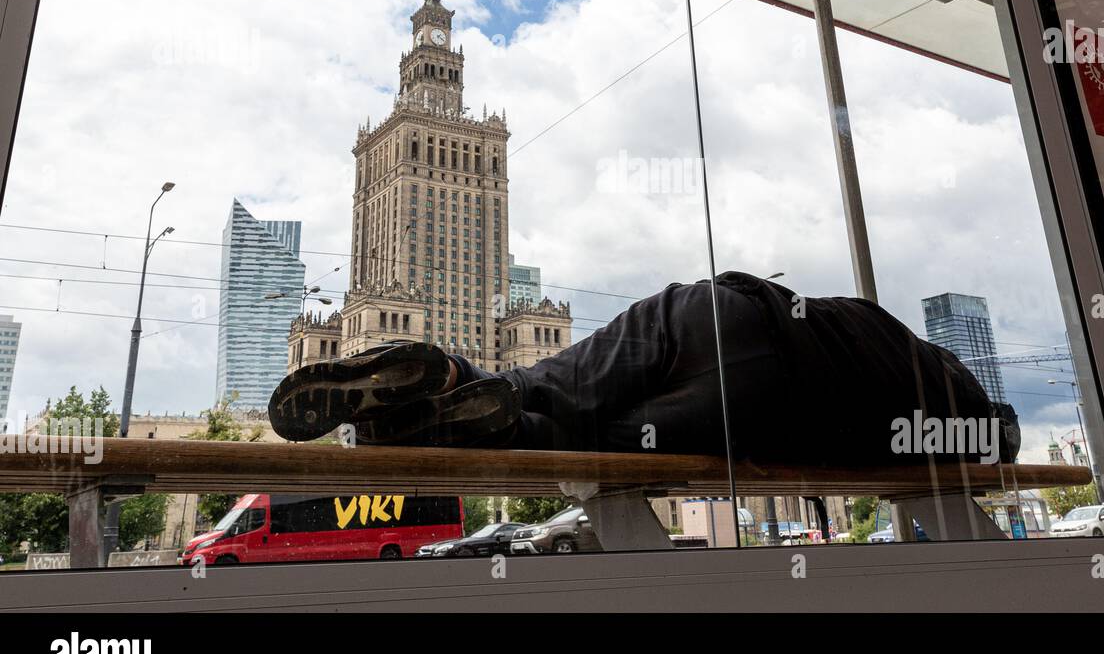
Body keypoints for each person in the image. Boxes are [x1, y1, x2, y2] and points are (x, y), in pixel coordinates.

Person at [268, 271, 1020, 467]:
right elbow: (995, 441)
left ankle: (449, 376)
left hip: (717, 311)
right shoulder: (949, 420)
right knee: (572, 437)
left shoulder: (887, 334)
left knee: (552, 382)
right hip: (760, 403)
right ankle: (439, 421)